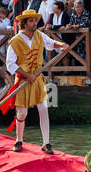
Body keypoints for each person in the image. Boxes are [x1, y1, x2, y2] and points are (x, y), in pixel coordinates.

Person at [6, 9, 61, 154]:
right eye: (31, 21)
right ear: (24, 23)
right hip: (23, 79)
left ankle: (46, 143)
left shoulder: (39, 35)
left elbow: (51, 43)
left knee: (43, 109)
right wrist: (26, 75)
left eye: (35, 20)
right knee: (22, 113)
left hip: (37, 79)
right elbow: (10, 64)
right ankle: (19, 140)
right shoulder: (15, 41)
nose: (34, 23)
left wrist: (61, 45)